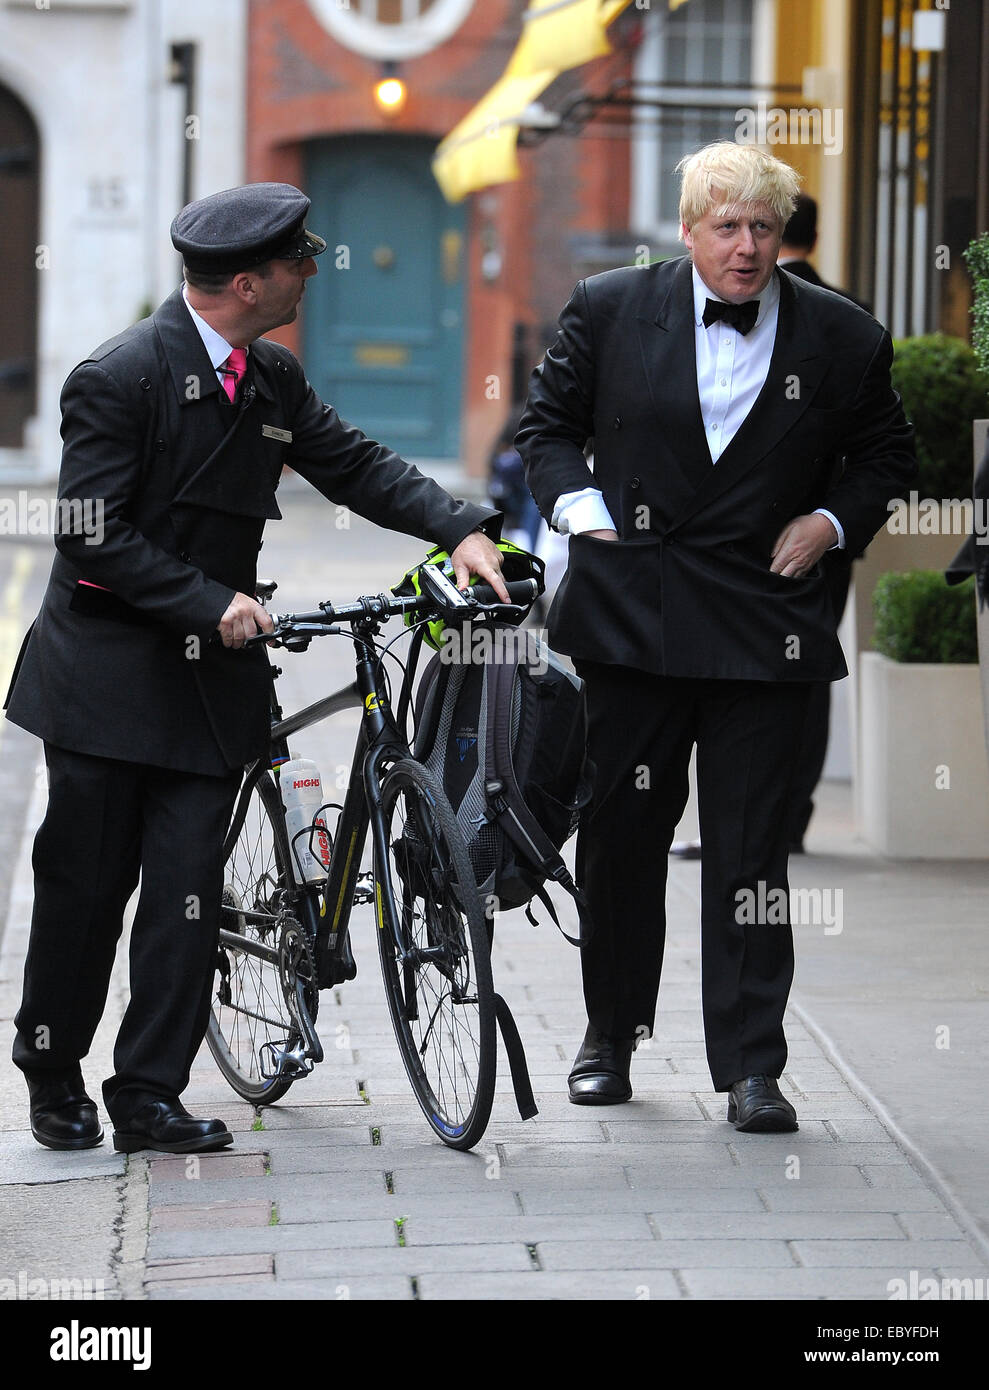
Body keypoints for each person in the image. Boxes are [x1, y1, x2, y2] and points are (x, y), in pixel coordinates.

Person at [6, 182, 506, 1156]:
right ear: (246, 281)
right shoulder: (119, 375)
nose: (313, 273)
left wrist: (460, 528)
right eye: (298, 263)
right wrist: (210, 600)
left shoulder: (268, 378)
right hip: (107, 674)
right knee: (86, 889)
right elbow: (90, 532)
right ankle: (50, 1065)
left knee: (188, 887)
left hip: (209, 683)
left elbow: (354, 465)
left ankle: (147, 1091)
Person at [516, 142, 915, 1131]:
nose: (745, 249)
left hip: (762, 627)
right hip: (632, 616)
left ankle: (750, 1067)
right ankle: (608, 1037)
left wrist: (827, 524)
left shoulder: (839, 334)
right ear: (687, 230)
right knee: (619, 840)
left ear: (782, 237)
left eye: (762, 230)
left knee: (750, 856)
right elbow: (545, 428)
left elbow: (884, 455)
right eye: (725, 228)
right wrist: (578, 512)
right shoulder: (611, 306)